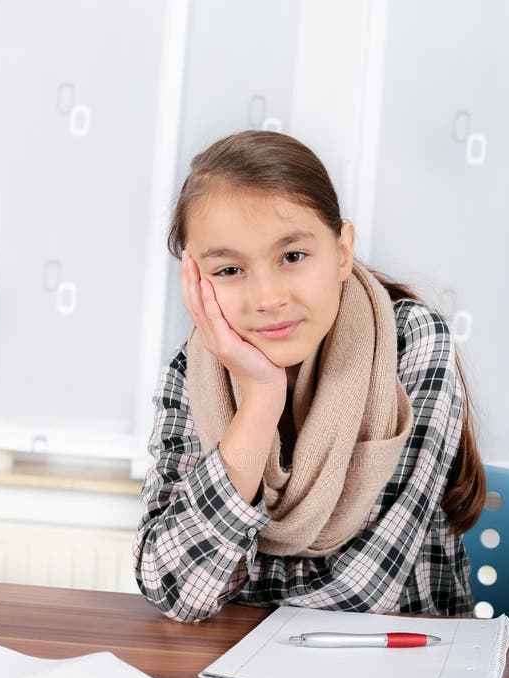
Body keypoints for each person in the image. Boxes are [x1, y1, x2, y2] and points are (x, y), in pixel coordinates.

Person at [133, 129, 485, 623]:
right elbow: (173, 589)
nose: (268, 297)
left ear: (342, 252)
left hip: (403, 671)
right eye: (229, 270)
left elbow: (363, 590)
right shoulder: (192, 371)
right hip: (245, 671)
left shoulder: (412, 341)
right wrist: (259, 399)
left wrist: (232, 575)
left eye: (292, 257)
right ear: (194, 280)